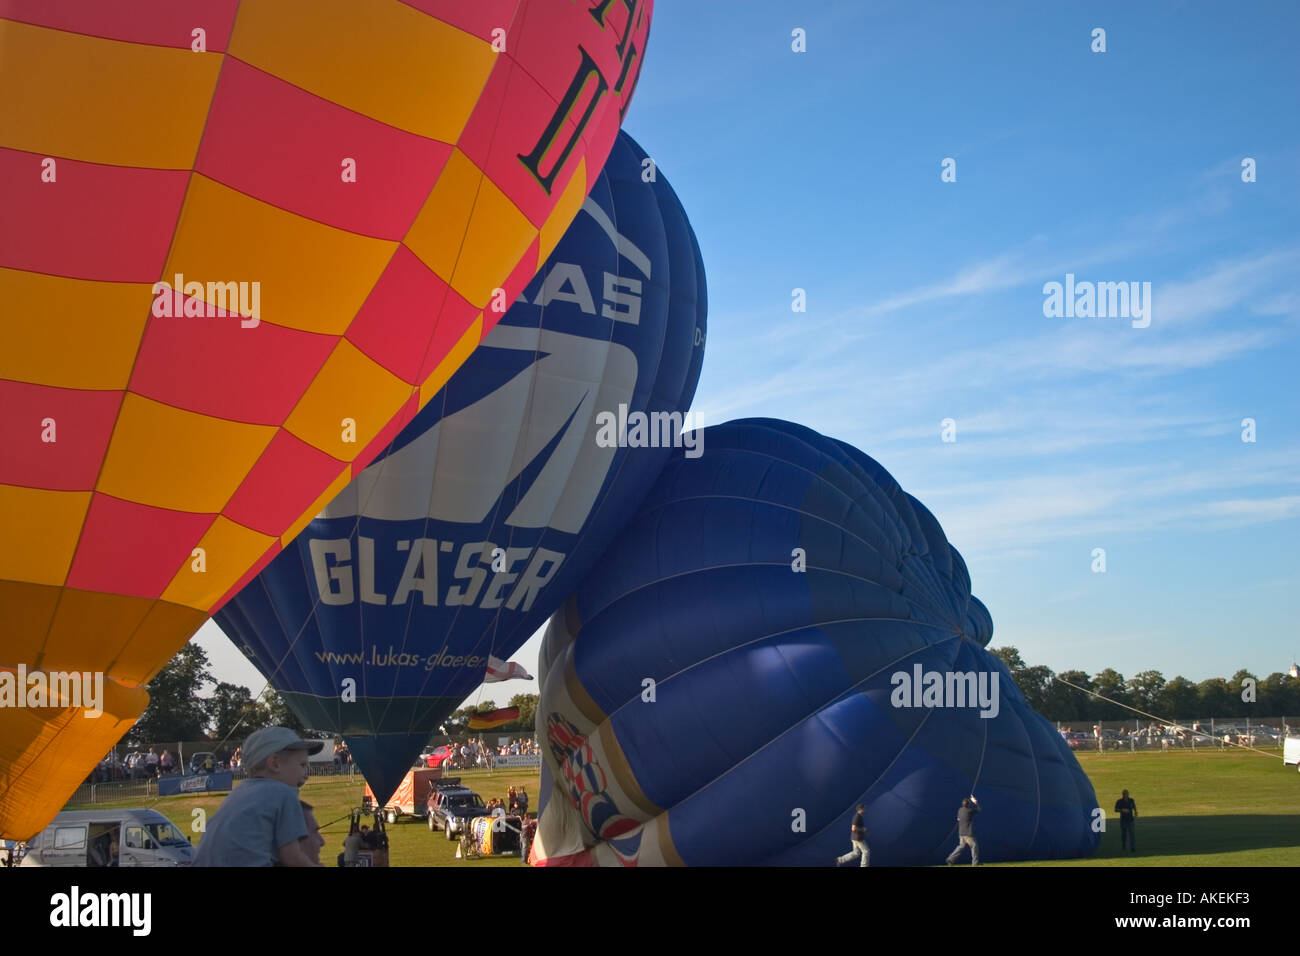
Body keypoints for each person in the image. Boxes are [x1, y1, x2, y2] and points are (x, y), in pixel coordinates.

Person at [192, 726, 324, 867]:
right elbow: (291, 856)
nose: (306, 774)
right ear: (275, 763)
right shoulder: (284, 793)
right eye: (302, 765)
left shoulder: (240, 791)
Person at [945, 796, 980, 866]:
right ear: (968, 804)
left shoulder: (960, 810)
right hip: (968, 834)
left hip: (961, 833)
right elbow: (978, 809)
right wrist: (975, 802)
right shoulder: (970, 811)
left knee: (961, 847)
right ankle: (975, 863)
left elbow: (958, 819)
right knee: (974, 846)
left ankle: (950, 859)